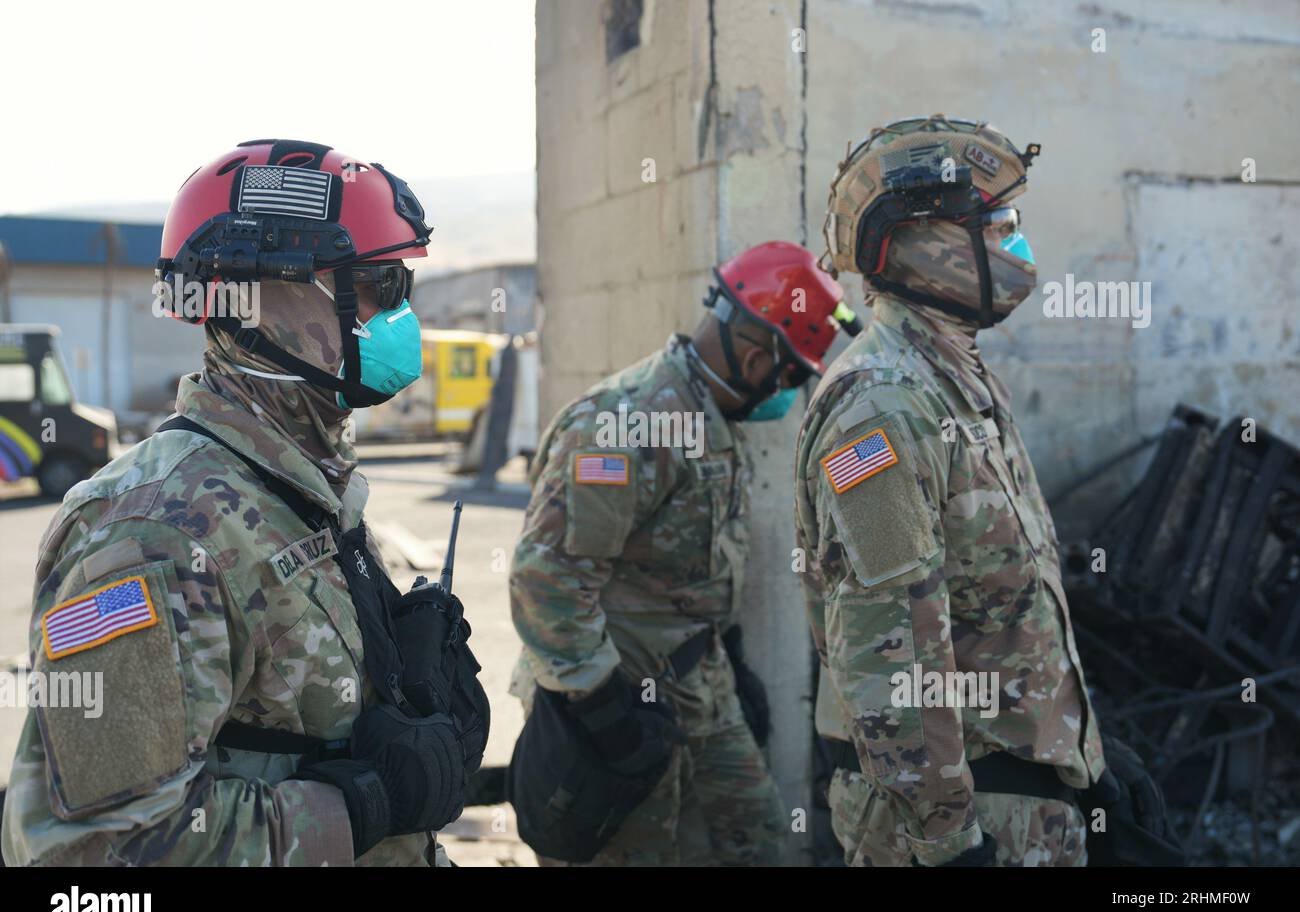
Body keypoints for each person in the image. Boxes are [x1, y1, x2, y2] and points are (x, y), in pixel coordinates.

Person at [1, 140, 486, 867]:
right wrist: (363, 805)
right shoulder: (152, 533)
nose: (399, 312)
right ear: (263, 298)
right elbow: (97, 851)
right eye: (378, 284)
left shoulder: (303, 487)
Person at [795, 116, 1106, 866]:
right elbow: (888, 646)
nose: (1012, 244)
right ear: (920, 242)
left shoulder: (954, 379)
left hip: (1022, 803)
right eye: (993, 224)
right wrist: (946, 842)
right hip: (959, 825)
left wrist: (1087, 768)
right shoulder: (883, 408)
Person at [508, 242, 855, 866]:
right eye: (794, 375)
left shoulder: (710, 413)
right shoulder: (630, 422)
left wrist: (724, 647)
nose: (789, 393)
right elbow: (547, 580)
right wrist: (601, 706)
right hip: (613, 701)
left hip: (698, 683)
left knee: (762, 845)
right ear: (758, 356)